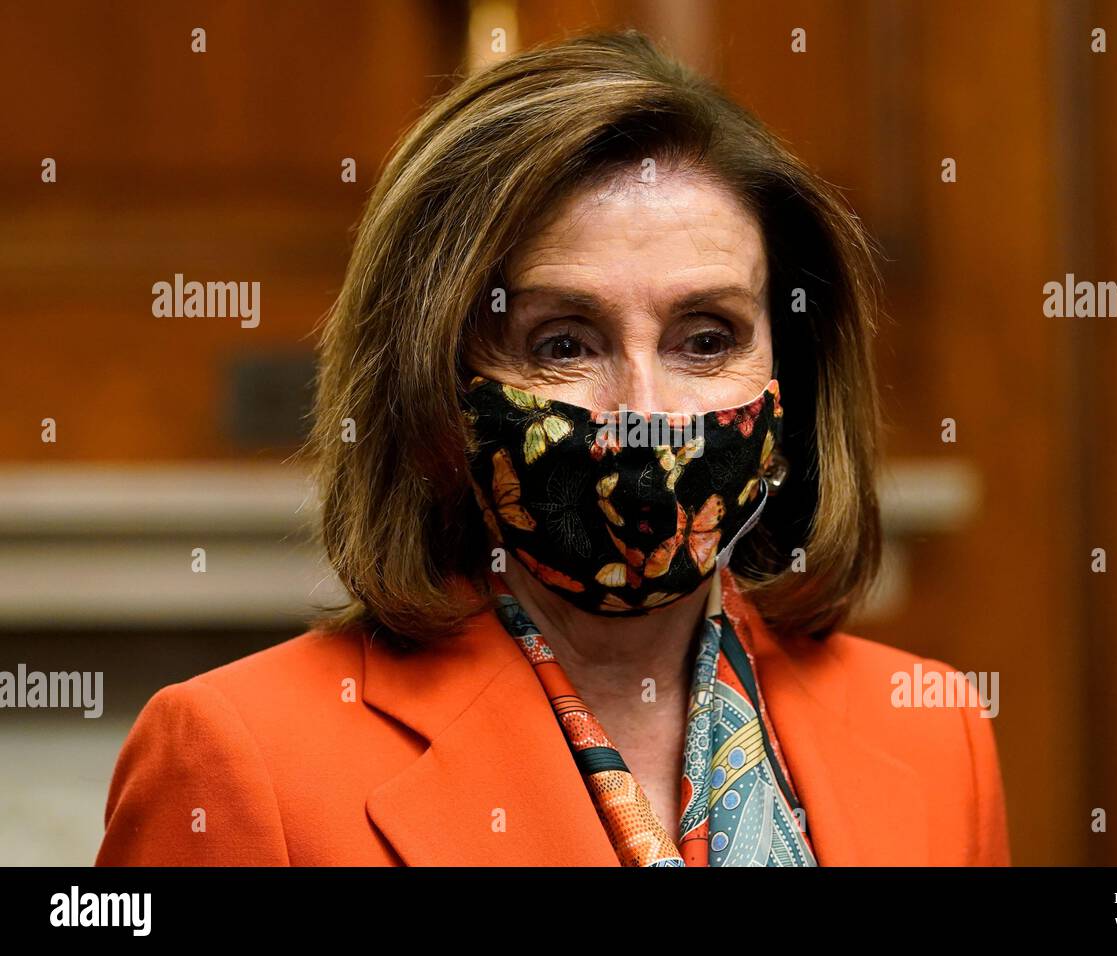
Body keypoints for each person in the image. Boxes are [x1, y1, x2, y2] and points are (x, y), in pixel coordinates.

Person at [95, 29, 1009, 867]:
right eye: (563, 344)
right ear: (436, 379)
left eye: (707, 338)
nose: (645, 414)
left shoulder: (932, 732)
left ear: (792, 372)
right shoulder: (236, 759)